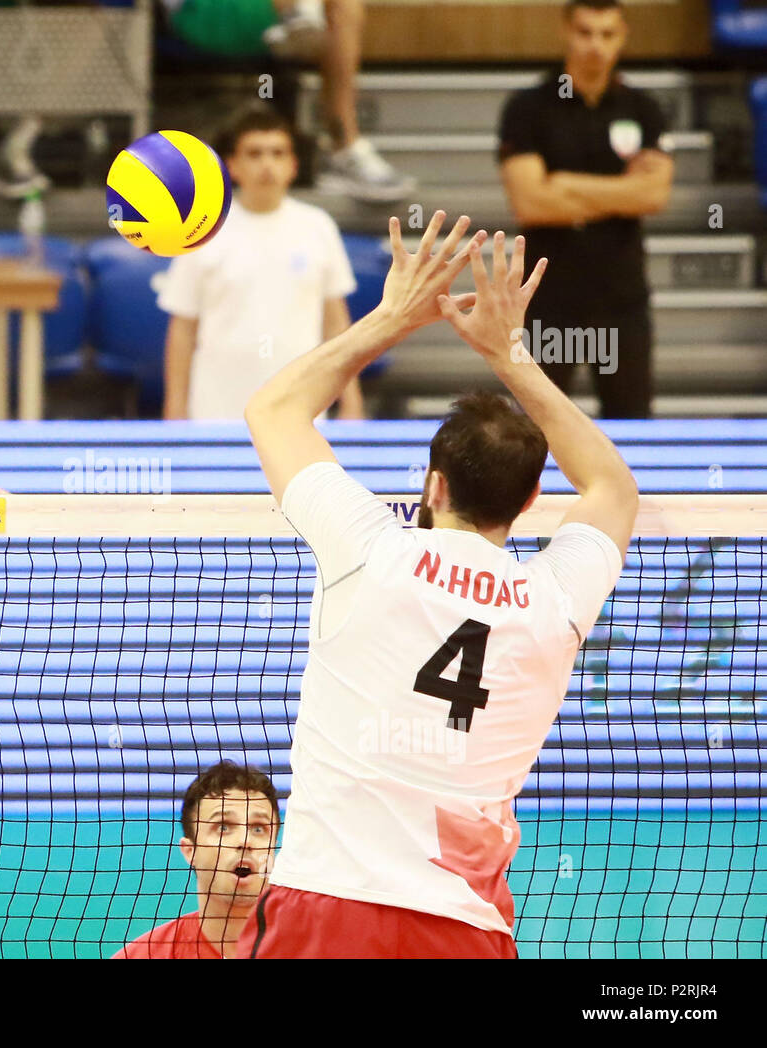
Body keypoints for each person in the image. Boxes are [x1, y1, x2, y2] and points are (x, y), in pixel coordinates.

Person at [239, 211, 638, 957]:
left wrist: (392, 317)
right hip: (463, 929)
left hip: (325, 911)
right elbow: (612, 486)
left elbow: (273, 409)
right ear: (528, 504)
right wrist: (509, 352)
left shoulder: (368, 551)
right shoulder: (552, 602)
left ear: (431, 484)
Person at [498, 0, 673, 418]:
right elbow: (531, 203)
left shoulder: (643, 109)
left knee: (632, 426)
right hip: (547, 298)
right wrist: (621, 192)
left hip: (622, 300)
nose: (596, 45)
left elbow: (653, 196)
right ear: (566, 31)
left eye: (607, 34)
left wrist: (567, 184)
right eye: (586, 32)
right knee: (535, 429)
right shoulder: (528, 108)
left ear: (623, 37)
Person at [160, 105, 364, 421]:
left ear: (293, 165)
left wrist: (351, 400)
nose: (267, 164)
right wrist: (174, 410)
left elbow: (336, 324)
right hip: (216, 413)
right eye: (255, 154)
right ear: (233, 165)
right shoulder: (202, 230)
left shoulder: (317, 226)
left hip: (299, 411)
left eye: (277, 153)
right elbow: (183, 330)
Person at [160, 0, 415, 201]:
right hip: (200, 10)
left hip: (261, 10)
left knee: (344, 4)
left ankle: (345, 151)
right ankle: (300, 16)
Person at [113, 760, 280, 959]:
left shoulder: (318, 948)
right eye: (223, 827)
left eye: (259, 828)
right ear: (190, 851)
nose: (245, 840)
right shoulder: (142, 956)